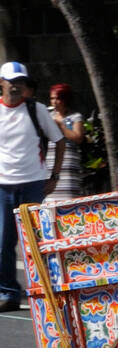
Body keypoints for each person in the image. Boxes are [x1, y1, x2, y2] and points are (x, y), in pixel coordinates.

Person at [0, 62, 64, 312]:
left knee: (35, 240)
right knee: (4, 243)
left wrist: (55, 176)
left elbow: (59, 141)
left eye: (20, 81)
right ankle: (9, 292)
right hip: (4, 186)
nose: (16, 86)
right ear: (2, 83)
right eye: (11, 81)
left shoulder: (36, 110)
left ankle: (43, 289)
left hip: (33, 184)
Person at [44, 83, 84, 202]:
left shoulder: (75, 117)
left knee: (69, 200)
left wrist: (60, 125)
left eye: (58, 98)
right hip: (50, 163)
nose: (54, 102)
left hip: (68, 165)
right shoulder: (47, 116)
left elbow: (78, 137)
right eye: (52, 98)